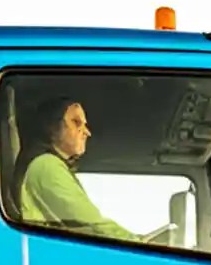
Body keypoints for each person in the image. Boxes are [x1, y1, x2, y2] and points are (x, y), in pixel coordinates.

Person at [11, 96, 137, 241]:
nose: (86, 132)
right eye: (76, 122)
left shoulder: (46, 164)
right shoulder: (46, 165)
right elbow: (92, 225)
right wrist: (141, 245)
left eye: (85, 124)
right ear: (51, 127)